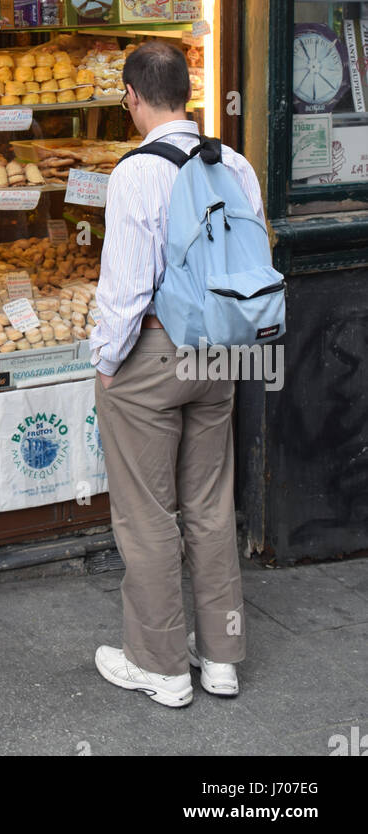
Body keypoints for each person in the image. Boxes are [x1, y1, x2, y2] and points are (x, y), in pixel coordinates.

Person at [89, 40, 265, 708]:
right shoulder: (235, 164)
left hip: (153, 355)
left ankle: (159, 665)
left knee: (147, 514)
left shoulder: (136, 173)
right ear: (188, 93)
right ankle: (221, 659)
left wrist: (106, 361)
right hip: (219, 352)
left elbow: (127, 288)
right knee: (211, 506)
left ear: (132, 97)